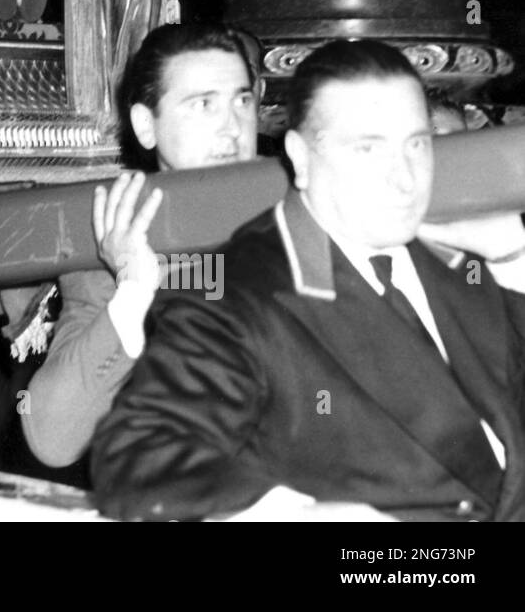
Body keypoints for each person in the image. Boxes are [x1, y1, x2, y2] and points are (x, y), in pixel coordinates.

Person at [92, 39, 525, 521]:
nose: (405, 178)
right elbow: (137, 457)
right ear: (299, 157)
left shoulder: (463, 257)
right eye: (367, 147)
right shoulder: (233, 293)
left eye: (417, 144)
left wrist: (515, 257)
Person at [0, 23, 259, 474]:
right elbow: (52, 435)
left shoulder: (299, 205)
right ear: (146, 126)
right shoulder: (113, 249)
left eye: (242, 101)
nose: (233, 127)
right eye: (204, 104)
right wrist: (134, 290)